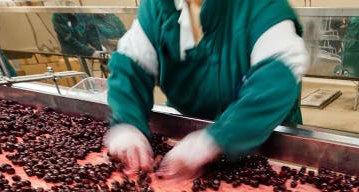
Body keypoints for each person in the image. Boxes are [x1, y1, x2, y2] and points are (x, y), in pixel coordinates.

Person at [104, 0, 309, 180]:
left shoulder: (260, 6)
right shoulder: (159, 5)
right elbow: (130, 66)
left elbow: (275, 79)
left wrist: (216, 139)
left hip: (265, 139)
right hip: (185, 143)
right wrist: (127, 123)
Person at [52, 13, 126, 58]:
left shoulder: (81, 13)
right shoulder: (58, 16)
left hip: (86, 54)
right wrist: (91, 52)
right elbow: (69, 39)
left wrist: (102, 49)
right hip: (71, 55)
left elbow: (92, 33)